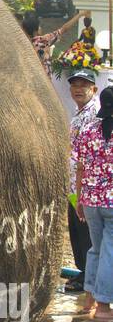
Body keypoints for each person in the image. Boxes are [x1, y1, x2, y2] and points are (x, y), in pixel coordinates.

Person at [75, 84, 113, 322]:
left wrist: (78, 198)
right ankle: (103, 306)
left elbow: (80, 167)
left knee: (96, 249)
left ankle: (88, 300)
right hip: (111, 203)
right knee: (109, 252)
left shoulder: (88, 130)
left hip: (90, 200)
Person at [67, 69, 99, 297]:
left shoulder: (93, 114)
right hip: (72, 185)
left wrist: (82, 189)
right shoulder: (78, 113)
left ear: (94, 89)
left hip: (85, 186)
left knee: (87, 233)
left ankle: (89, 274)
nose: (78, 89)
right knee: (77, 232)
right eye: (75, 84)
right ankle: (83, 271)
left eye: (84, 85)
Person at [20, 8, 82, 77]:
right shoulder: (43, 41)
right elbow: (64, 29)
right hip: (45, 80)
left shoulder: (21, 43)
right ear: (35, 31)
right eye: (39, 26)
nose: (40, 28)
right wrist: (80, 15)